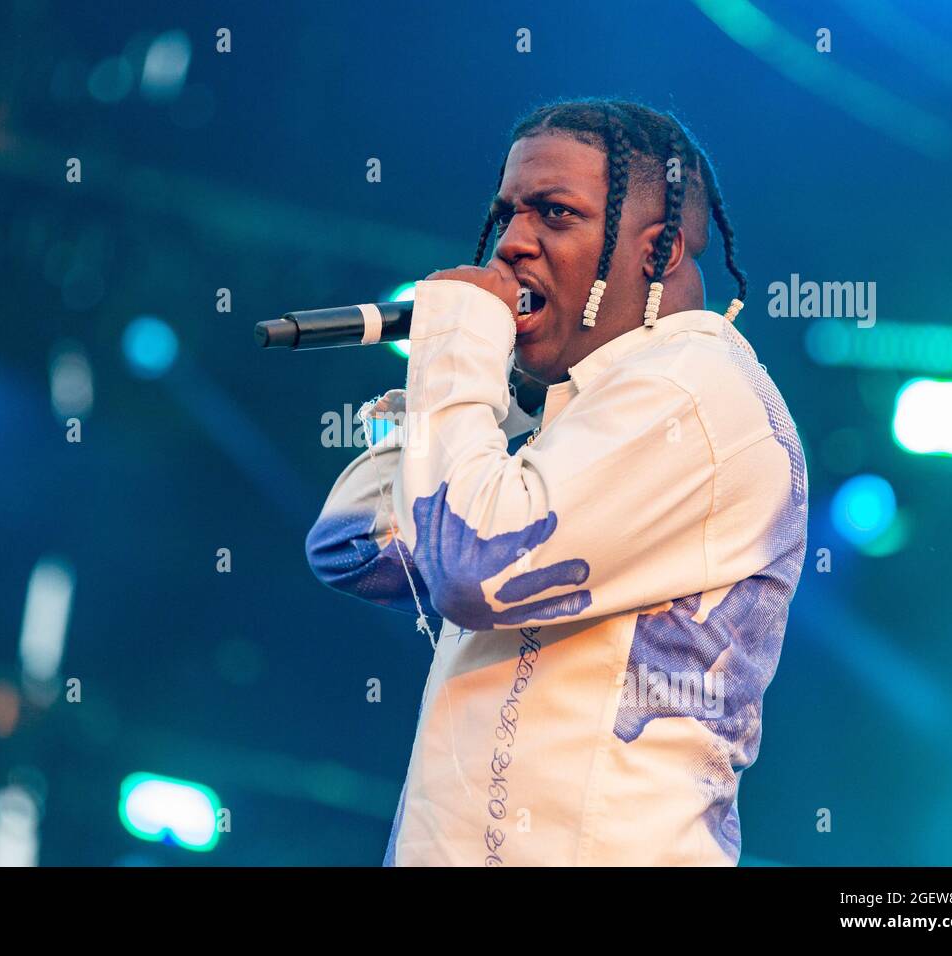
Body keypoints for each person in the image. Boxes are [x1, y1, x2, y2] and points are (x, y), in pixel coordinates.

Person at [306, 98, 808, 866]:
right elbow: (350, 547)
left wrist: (462, 360)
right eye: (506, 213)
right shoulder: (564, 424)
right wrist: (479, 381)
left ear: (661, 248)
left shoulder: (693, 388)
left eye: (554, 213)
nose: (510, 243)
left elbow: (470, 568)